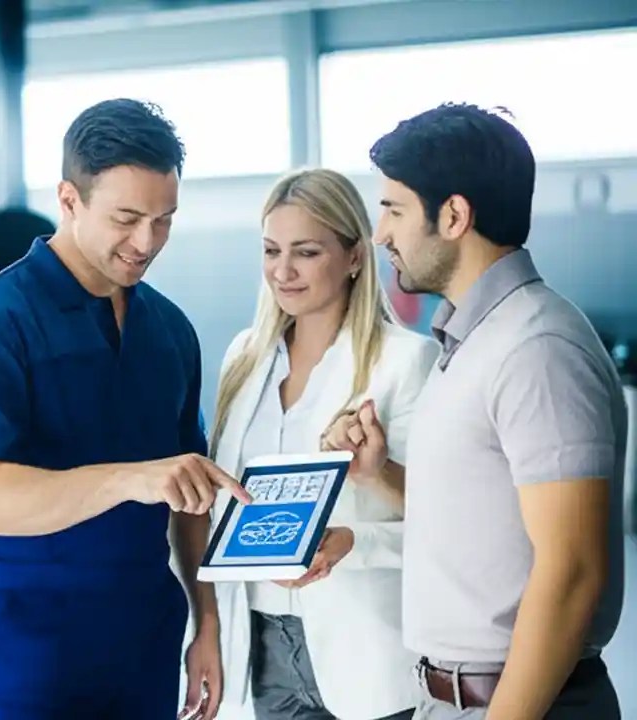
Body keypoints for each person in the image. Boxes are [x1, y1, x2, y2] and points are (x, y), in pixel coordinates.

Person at [0, 98, 250, 720]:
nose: (147, 242)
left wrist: (206, 623)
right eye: (127, 218)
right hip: (35, 650)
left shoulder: (170, 330)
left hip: (148, 641)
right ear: (69, 199)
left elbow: (190, 493)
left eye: (164, 219)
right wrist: (134, 477)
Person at [335, 102, 628, 718]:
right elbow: (485, 516)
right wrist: (379, 475)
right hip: (455, 700)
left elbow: (573, 570)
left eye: (393, 209)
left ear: (454, 215)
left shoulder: (535, 347)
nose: (380, 233)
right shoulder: (475, 342)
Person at [207, 168, 439, 720]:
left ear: (355, 256)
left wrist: (350, 542)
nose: (282, 271)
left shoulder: (406, 361)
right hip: (265, 648)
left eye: (306, 252)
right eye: (271, 250)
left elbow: (447, 524)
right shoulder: (244, 357)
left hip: (366, 650)